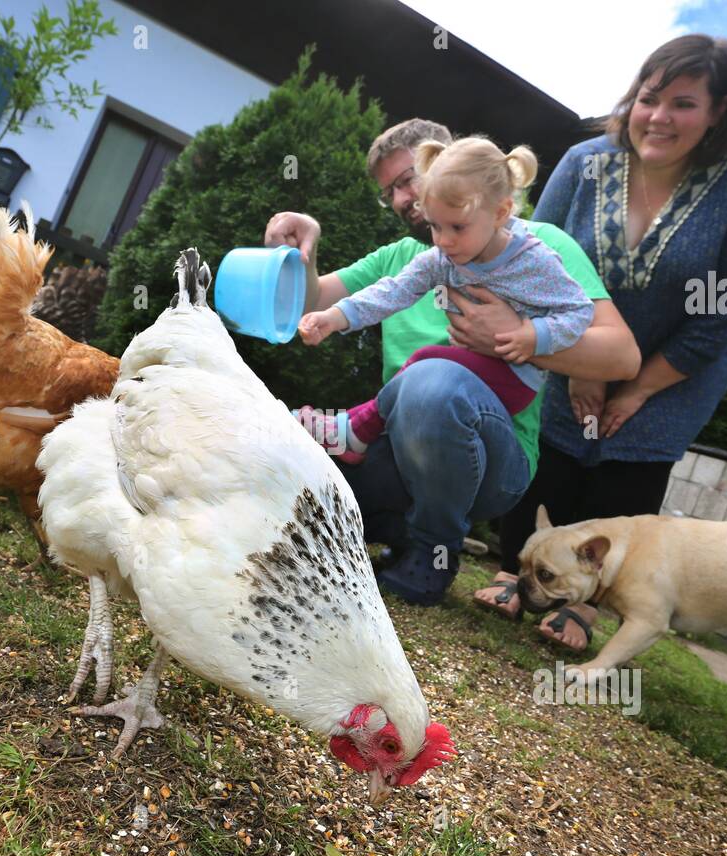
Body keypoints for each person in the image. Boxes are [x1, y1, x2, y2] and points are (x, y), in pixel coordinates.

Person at [474, 34, 727, 649]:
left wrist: (641, 385)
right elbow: (535, 257)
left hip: (678, 369)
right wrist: (580, 363)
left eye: (684, 104)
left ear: (720, 111)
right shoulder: (584, 161)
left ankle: (587, 607)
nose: (660, 118)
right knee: (555, 463)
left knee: (625, 482)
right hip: (571, 342)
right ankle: (518, 570)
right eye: (650, 99)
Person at [264, 119, 640, 606]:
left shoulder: (540, 249)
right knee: (295, 473)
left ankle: (430, 551)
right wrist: (313, 269)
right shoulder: (423, 255)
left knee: (430, 378)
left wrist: (522, 337)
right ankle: (388, 530)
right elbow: (328, 302)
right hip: (400, 449)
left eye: (407, 180)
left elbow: (618, 351)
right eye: (390, 192)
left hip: (487, 449)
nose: (403, 199)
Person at [295, 137, 594, 465]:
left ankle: (354, 432)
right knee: (431, 373)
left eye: (457, 227)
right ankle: (362, 433)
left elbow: (579, 311)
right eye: (435, 226)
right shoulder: (442, 258)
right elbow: (392, 291)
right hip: (462, 375)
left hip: (515, 382)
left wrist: (534, 336)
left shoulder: (534, 259)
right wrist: (335, 317)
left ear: (500, 213)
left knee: (427, 363)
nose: (444, 240)